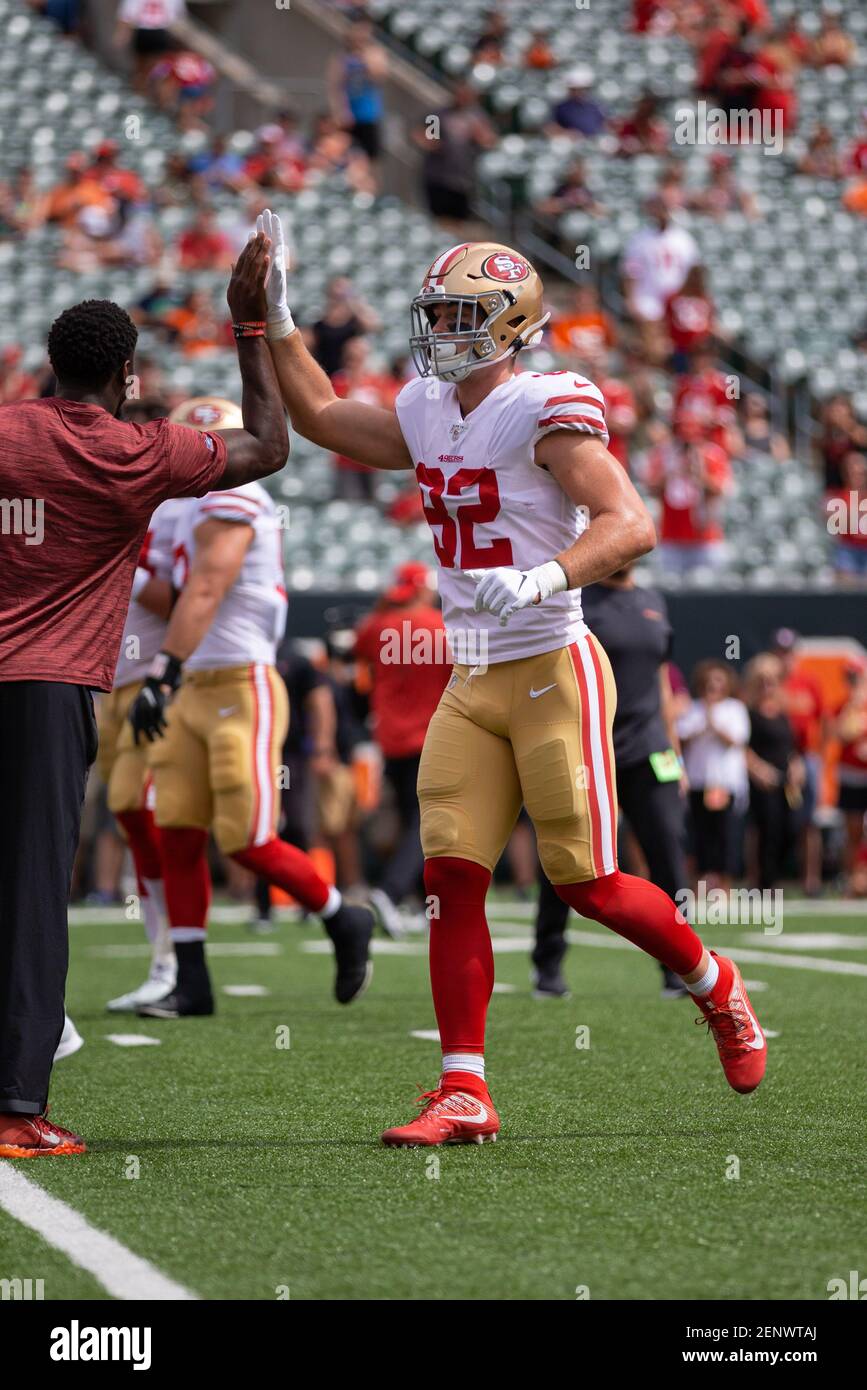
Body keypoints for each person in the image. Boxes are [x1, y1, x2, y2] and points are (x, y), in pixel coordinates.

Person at [256, 209, 768, 1148]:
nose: (439, 334)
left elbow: (630, 520)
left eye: (458, 317)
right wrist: (278, 318)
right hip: (470, 675)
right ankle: (464, 1091)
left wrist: (541, 574)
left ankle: (716, 987)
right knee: (452, 879)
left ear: (506, 323)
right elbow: (325, 418)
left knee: (588, 884)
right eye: (435, 315)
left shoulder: (544, 405)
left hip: (551, 664)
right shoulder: (420, 409)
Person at [0, 233, 288, 1157]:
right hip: (48, 689)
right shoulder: (141, 453)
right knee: (33, 894)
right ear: (126, 373)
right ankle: (16, 1110)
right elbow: (270, 445)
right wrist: (250, 326)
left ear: (50, 367)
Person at [128, 399, 375, 1016]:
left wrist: (161, 671)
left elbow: (207, 587)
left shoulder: (236, 499)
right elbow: (161, 593)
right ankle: (192, 981)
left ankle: (344, 918)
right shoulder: (180, 508)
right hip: (188, 683)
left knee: (247, 840)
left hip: (239, 683)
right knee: (177, 832)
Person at [532, 563, 692, 1000]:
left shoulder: (652, 601)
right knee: (567, 856)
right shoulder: (578, 600)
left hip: (650, 750)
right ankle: (547, 963)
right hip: (589, 746)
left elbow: (661, 680)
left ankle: (678, 966)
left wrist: (675, 753)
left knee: (667, 857)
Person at [355, 563, 451, 935]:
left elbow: (359, 655)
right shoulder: (443, 626)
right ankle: (392, 892)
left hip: (390, 739)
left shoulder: (378, 626)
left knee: (412, 818)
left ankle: (420, 902)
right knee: (427, 822)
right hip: (432, 735)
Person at [677, 660, 750, 892]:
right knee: (700, 836)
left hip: (724, 784)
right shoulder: (693, 709)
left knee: (725, 835)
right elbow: (682, 738)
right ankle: (699, 885)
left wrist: (713, 723)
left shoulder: (734, 709)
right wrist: (703, 720)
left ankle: (725, 885)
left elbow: (735, 740)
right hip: (699, 782)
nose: (713, 688)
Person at [743, 654, 804, 890]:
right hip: (762, 781)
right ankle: (762, 884)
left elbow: (792, 747)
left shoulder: (782, 713)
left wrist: (796, 766)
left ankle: (775, 878)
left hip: (786, 780)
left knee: (789, 827)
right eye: (762, 681)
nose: (767, 686)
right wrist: (758, 770)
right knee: (765, 829)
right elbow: (743, 748)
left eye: (771, 680)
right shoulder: (748, 712)